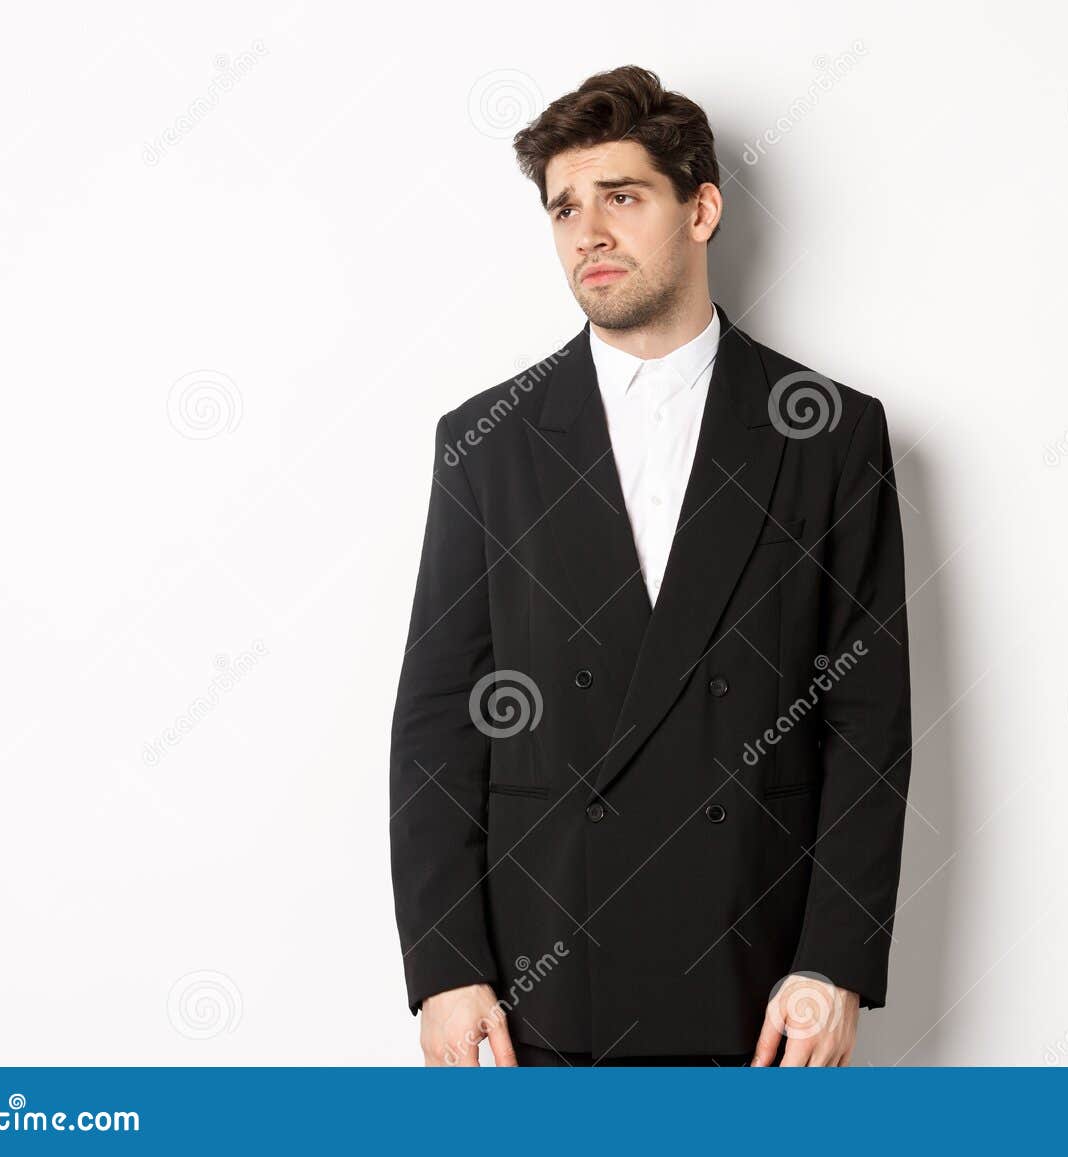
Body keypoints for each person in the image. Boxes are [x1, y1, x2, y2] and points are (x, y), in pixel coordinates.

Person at [390, 65, 912, 1066]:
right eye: (563, 208)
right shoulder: (489, 441)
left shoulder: (830, 432)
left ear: (701, 208)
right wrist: (447, 965)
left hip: (759, 984)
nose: (587, 230)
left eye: (621, 197)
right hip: (543, 976)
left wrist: (832, 961)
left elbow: (869, 717)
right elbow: (437, 723)